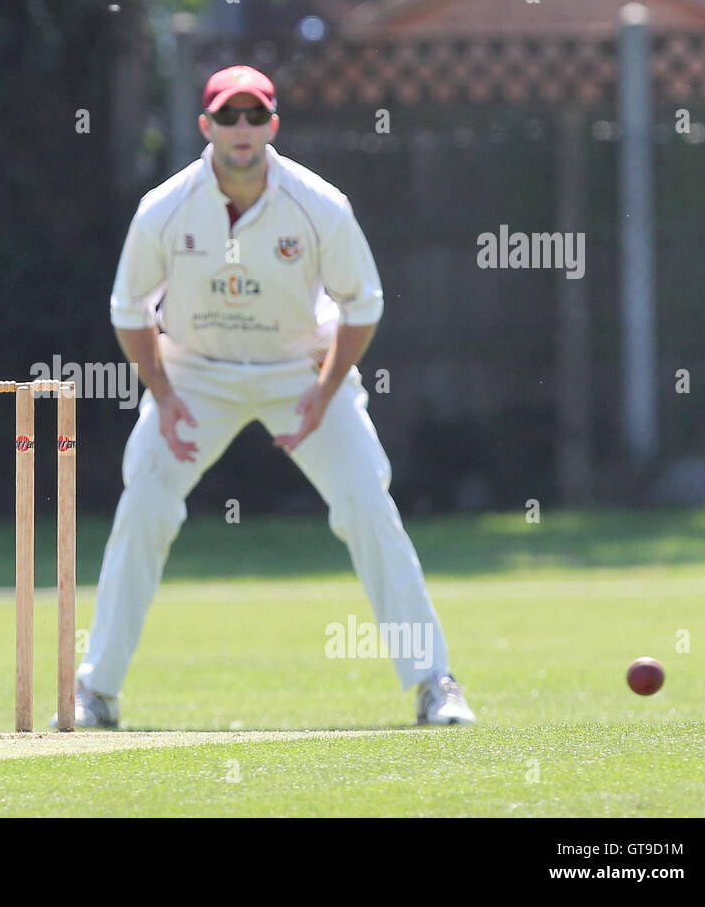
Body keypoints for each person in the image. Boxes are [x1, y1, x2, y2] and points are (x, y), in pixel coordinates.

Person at [58, 66, 474, 729]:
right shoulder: (165, 208)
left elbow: (363, 303)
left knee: (368, 505)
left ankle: (435, 683)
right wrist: (162, 397)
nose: (242, 129)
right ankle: (96, 691)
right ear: (207, 127)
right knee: (145, 507)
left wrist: (324, 390)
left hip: (299, 369)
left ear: (273, 125)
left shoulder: (318, 204)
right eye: (230, 116)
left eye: (255, 116)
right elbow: (129, 307)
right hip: (194, 372)